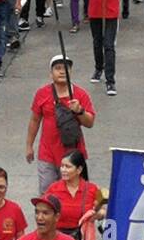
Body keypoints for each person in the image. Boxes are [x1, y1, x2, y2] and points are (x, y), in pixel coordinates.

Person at [26, 54, 95, 193]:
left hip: (73, 155)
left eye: (66, 68)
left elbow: (90, 122)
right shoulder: (42, 93)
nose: (62, 71)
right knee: (47, 193)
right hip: (48, 153)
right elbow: (34, 120)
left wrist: (79, 110)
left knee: (73, 192)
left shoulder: (81, 94)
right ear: (50, 74)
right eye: (58, 68)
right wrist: (29, 145)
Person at [83, 0, 123, 95]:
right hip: (95, 11)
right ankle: (98, 67)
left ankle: (110, 81)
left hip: (111, 11)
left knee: (109, 45)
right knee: (97, 41)